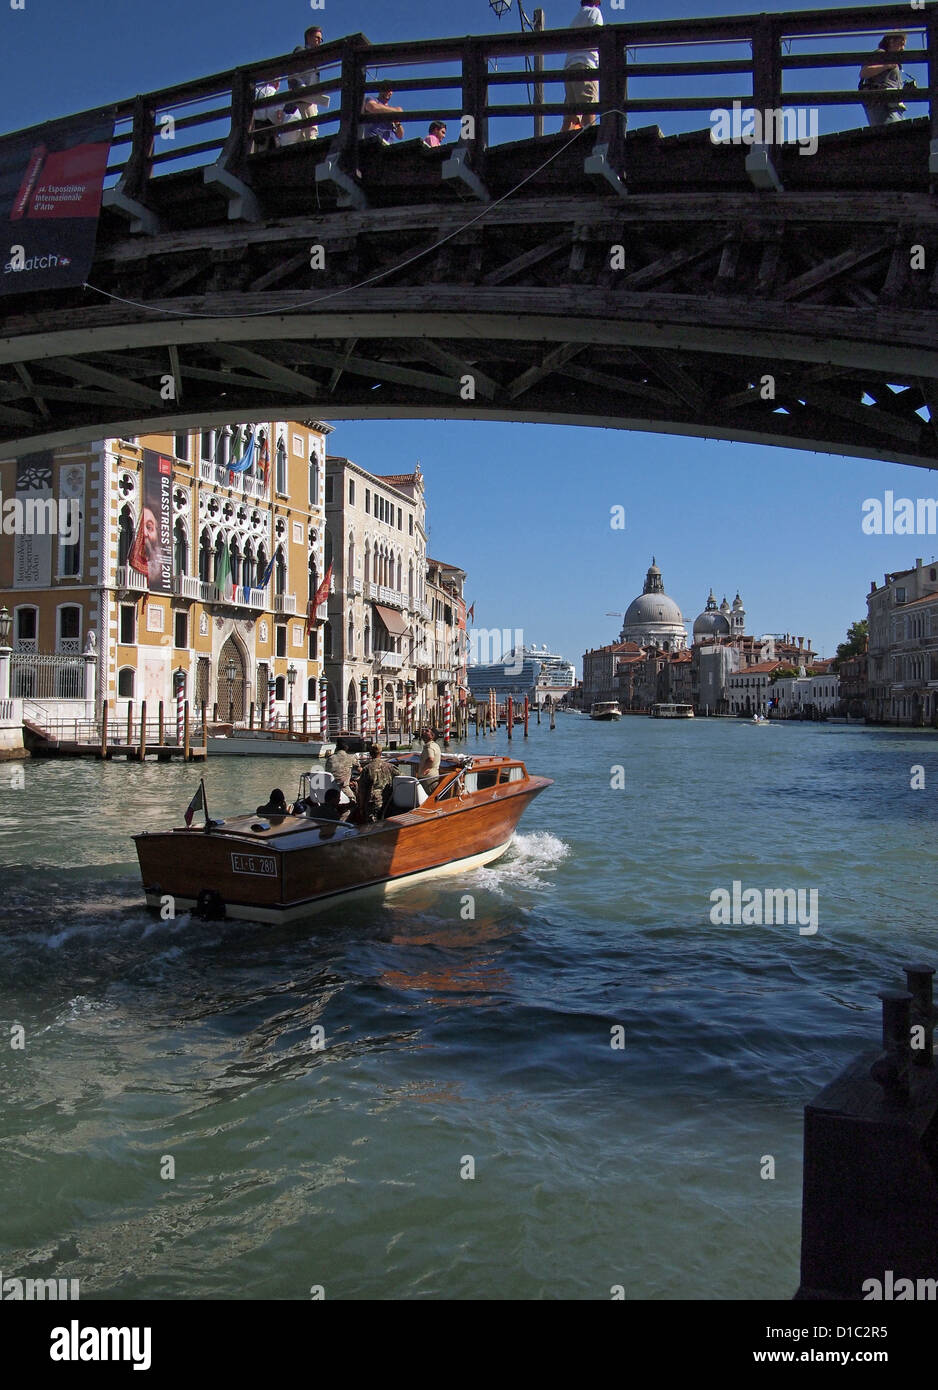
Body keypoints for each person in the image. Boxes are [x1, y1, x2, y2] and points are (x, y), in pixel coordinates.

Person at [281, 24, 331, 144]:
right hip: (304, 96)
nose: (319, 41)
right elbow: (293, 72)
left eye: (321, 39)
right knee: (311, 125)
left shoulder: (315, 59)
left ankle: (307, 144)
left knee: (308, 126)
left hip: (311, 97)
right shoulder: (301, 50)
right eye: (317, 38)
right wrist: (302, 88)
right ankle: (311, 145)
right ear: (308, 37)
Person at [562, 0, 603, 134]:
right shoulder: (595, 12)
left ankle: (559, 148)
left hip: (569, 67)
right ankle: (591, 145)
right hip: (585, 65)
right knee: (588, 110)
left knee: (571, 116)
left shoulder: (576, 18)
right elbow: (598, 37)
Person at [859, 31, 912, 127]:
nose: (903, 48)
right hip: (881, 103)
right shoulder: (881, 53)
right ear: (891, 41)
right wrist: (886, 66)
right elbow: (864, 72)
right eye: (901, 44)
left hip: (894, 106)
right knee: (890, 134)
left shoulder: (895, 62)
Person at [357, 744, 394, 823]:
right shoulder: (390, 767)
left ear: (370, 754)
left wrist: (361, 807)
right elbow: (402, 778)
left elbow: (362, 790)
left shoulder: (367, 769)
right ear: (381, 753)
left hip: (372, 803)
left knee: (371, 827)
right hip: (388, 802)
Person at [417, 725, 441, 793]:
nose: (424, 732)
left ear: (432, 736)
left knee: (428, 798)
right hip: (434, 776)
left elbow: (430, 759)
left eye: (427, 731)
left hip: (427, 778)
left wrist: (424, 770)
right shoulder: (435, 745)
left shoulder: (429, 746)